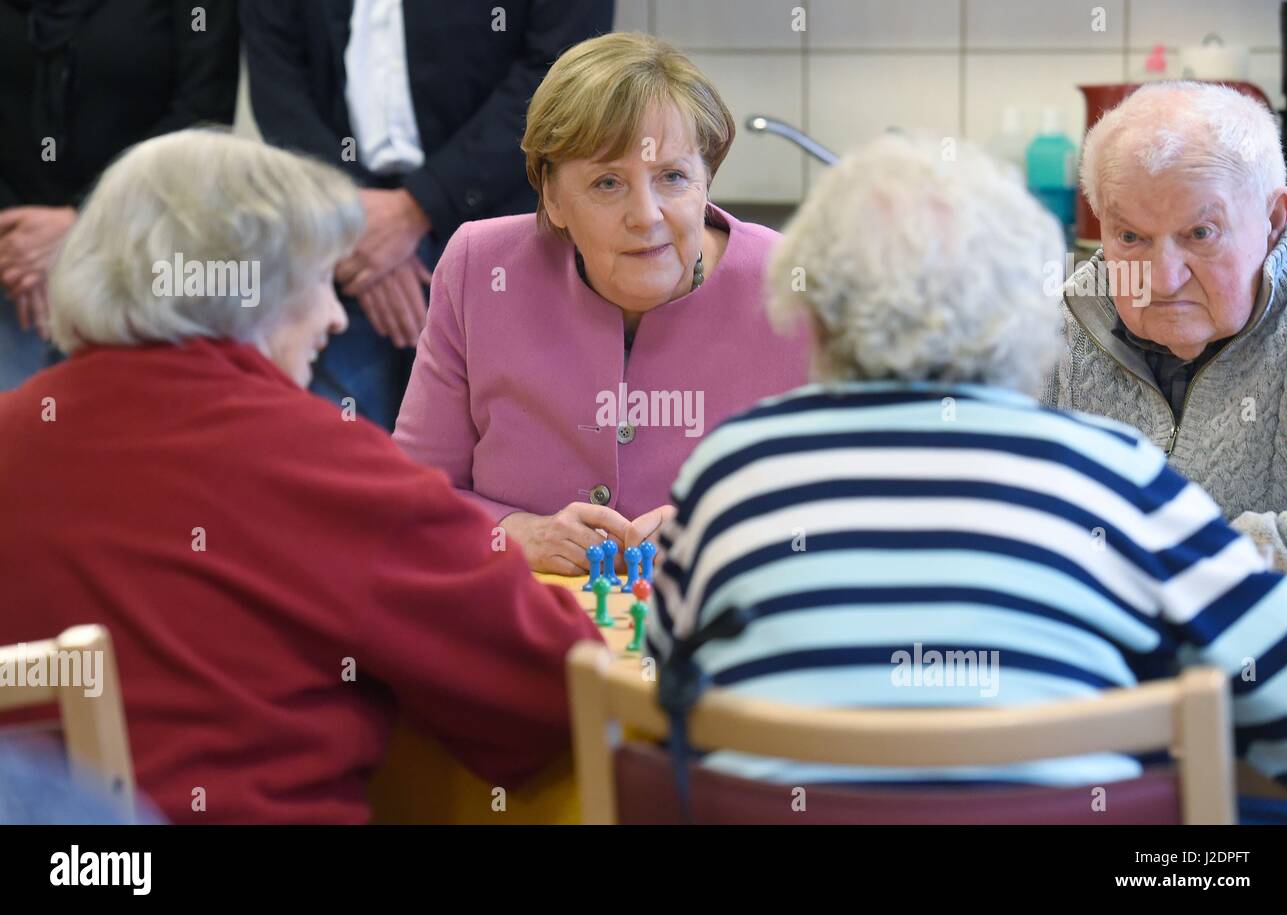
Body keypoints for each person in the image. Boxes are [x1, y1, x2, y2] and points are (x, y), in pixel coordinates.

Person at [647, 134, 1287, 793]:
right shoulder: (1116, 474)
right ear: (1027, 310)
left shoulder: (730, 468)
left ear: (812, 309)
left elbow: (667, 681)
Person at [0, 130, 601, 824]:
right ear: (258, 293)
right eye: (321, 280)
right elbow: (557, 689)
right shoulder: (322, 464)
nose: (335, 315)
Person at [394, 32, 810, 574]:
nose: (646, 215)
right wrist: (513, 533)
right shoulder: (481, 266)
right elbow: (410, 497)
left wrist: (724, 532)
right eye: (608, 182)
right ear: (551, 195)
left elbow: (851, 507)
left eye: (673, 177)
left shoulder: (790, 288)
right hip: (521, 629)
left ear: (707, 178)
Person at [241, 0, 614, 429]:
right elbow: (277, 81)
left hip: (501, 232)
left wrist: (417, 206)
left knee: (501, 457)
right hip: (341, 245)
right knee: (339, 464)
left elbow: (561, 72)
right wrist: (354, 217)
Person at [1044, 81, 1287, 577]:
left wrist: (1165, 563)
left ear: (1273, 220)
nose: (1163, 279)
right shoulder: (1049, 334)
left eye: (1200, 234)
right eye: (1131, 236)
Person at [0, 0, 239, 389]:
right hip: (14, 265)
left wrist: (83, 220)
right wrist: (17, 238)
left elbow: (203, 114)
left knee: (125, 436)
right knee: (16, 439)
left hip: (143, 262)